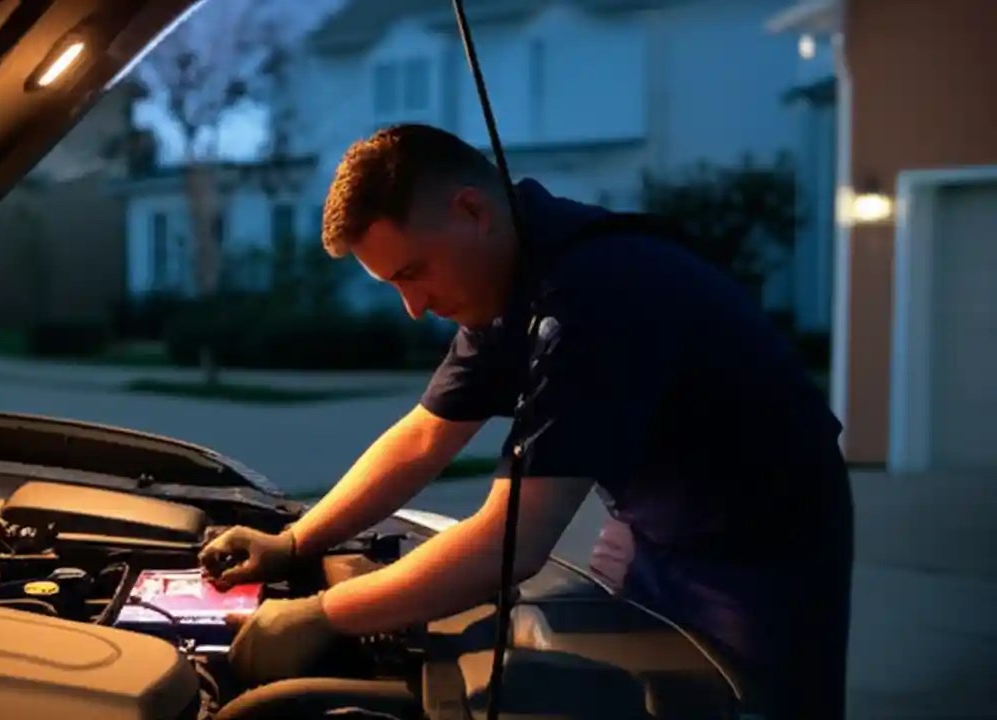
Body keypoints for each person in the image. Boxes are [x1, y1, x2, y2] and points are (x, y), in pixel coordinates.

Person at [200, 124, 854, 718]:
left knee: (736, 707)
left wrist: (323, 614)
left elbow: (508, 542)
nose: (413, 307)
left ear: (472, 210)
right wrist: (294, 543)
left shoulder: (597, 292)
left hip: (763, 546)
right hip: (649, 523)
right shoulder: (506, 279)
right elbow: (425, 435)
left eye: (413, 273)